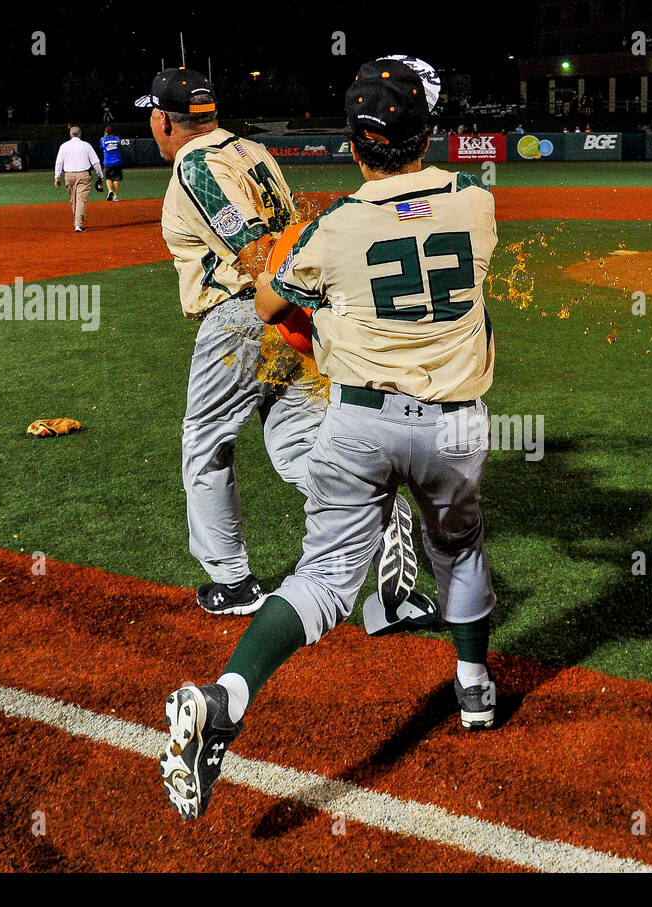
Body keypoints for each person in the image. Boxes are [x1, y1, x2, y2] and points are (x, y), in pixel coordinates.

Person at [160, 57, 499, 822]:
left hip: (359, 422)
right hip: (452, 422)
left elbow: (273, 296)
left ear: (353, 144)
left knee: (320, 578)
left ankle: (227, 696)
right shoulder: (476, 204)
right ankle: (474, 690)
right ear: (428, 133)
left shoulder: (332, 228)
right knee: (462, 550)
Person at [134, 67, 421, 620]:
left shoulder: (195, 162)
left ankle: (232, 583)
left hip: (242, 317)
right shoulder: (253, 151)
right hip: (292, 314)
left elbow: (258, 248)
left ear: (161, 119)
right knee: (295, 445)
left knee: (206, 442)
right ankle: (377, 509)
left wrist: (274, 301)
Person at [53, 126, 104, 232]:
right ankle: (78, 224)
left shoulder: (64, 146)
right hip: (83, 175)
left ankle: (78, 222)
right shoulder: (86, 145)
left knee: (74, 200)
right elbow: (95, 162)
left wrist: (57, 176)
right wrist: (100, 175)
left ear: (70, 134)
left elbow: (59, 162)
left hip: (69, 175)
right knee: (81, 199)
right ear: (80, 134)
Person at [99, 125, 123, 201]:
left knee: (108, 177)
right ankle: (115, 196)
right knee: (116, 178)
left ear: (106, 132)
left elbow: (102, 147)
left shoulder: (103, 139)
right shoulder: (117, 139)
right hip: (117, 162)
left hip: (107, 162)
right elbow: (119, 146)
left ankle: (110, 190)